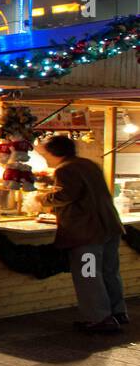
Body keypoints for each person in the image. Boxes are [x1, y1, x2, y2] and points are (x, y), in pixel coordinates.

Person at [35, 135, 129, 333]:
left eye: (45, 153)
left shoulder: (66, 169)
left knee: (88, 275)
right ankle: (118, 312)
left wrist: (42, 197)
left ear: (54, 153)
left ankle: (99, 318)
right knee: (110, 272)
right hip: (109, 226)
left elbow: (66, 195)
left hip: (86, 233)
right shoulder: (88, 164)